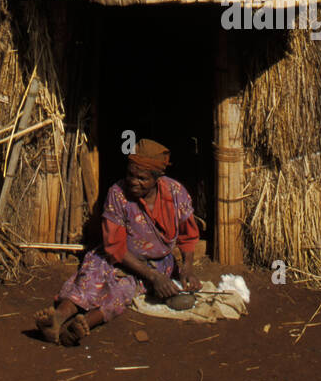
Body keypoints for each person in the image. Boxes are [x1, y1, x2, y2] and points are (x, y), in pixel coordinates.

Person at [36, 138, 201, 345]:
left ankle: (84, 323)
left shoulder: (176, 193)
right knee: (91, 278)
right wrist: (153, 277)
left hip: (157, 263)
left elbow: (188, 237)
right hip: (115, 256)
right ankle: (57, 319)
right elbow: (115, 247)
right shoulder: (118, 194)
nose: (133, 181)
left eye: (142, 178)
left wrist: (186, 269)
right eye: (130, 174)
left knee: (122, 291)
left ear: (157, 178)